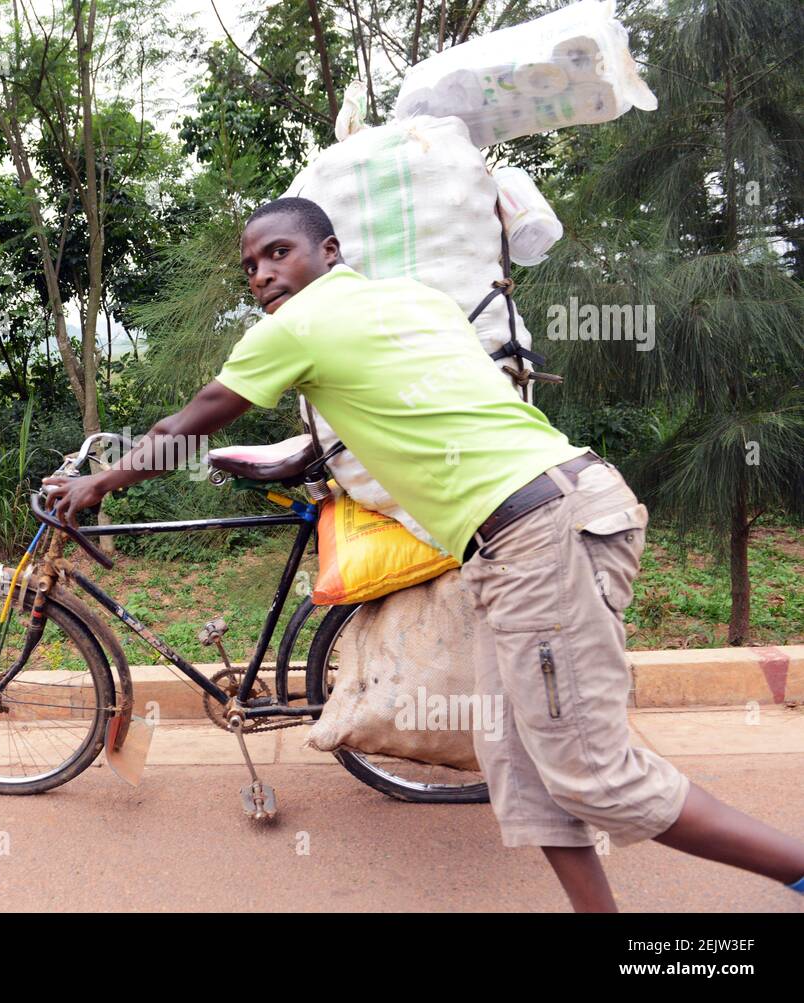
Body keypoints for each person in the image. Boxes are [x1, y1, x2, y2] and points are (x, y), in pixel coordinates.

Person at [43, 196, 804, 912]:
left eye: (279, 252)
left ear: (329, 251)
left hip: (536, 531)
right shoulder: (415, 299)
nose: (263, 274)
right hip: (546, 514)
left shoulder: (298, 325)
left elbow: (194, 420)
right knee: (520, 766)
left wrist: (99, 482)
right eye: (251, 267)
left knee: (597, 778)